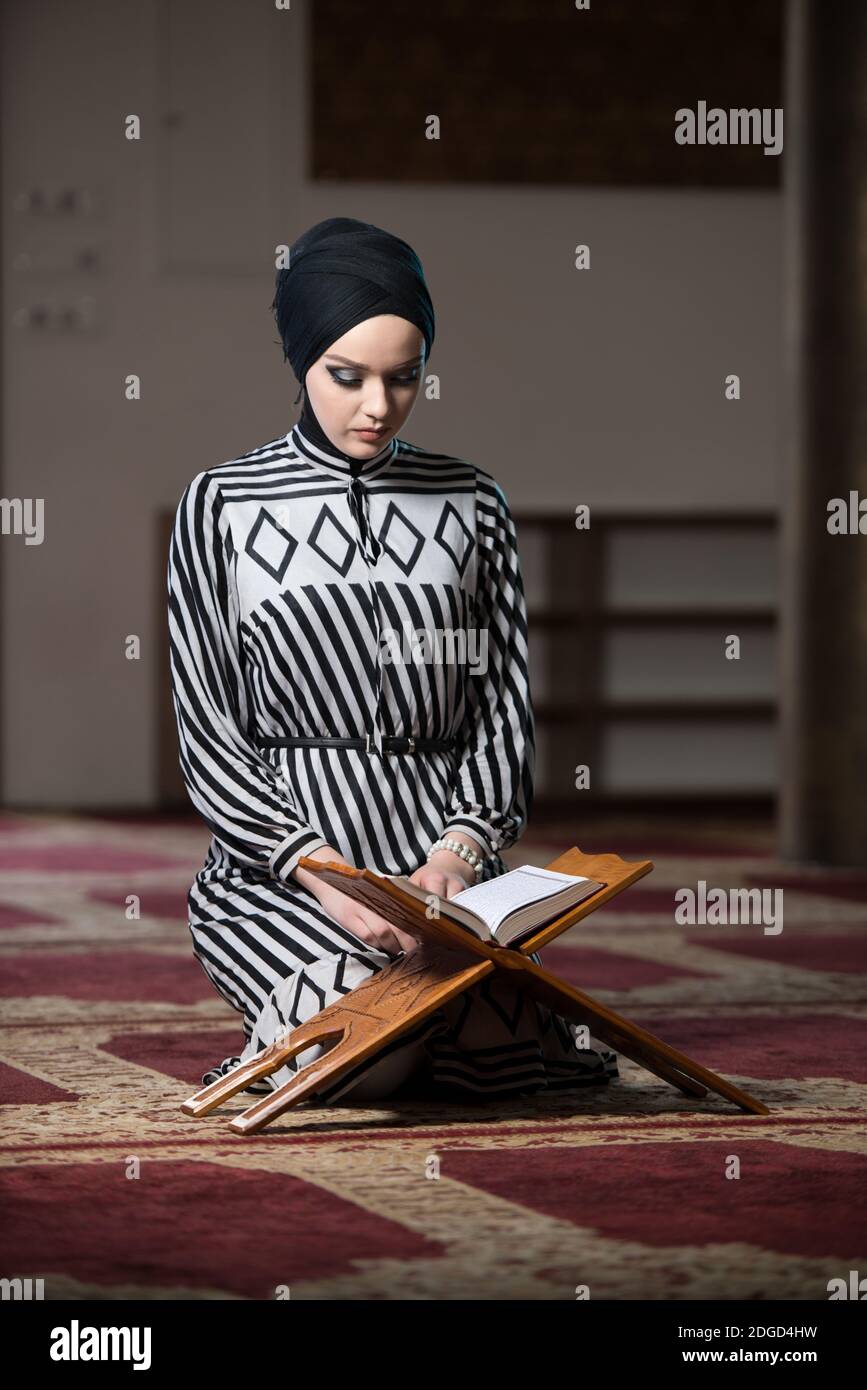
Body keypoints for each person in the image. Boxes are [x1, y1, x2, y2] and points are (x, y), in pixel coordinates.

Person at [167, 216, 618, 1104]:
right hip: (283, 877)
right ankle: (370, 1022)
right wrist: (333, 883)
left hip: (441, 884)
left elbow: (501, 704)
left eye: (404, 377)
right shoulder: (220, 503)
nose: (378, 405)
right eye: (348, 377)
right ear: (301, 360)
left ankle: (459, 1014)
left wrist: (459, 855)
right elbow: (209, 726)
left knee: (505, 1053)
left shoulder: (471, 499)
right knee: (373, 1046)